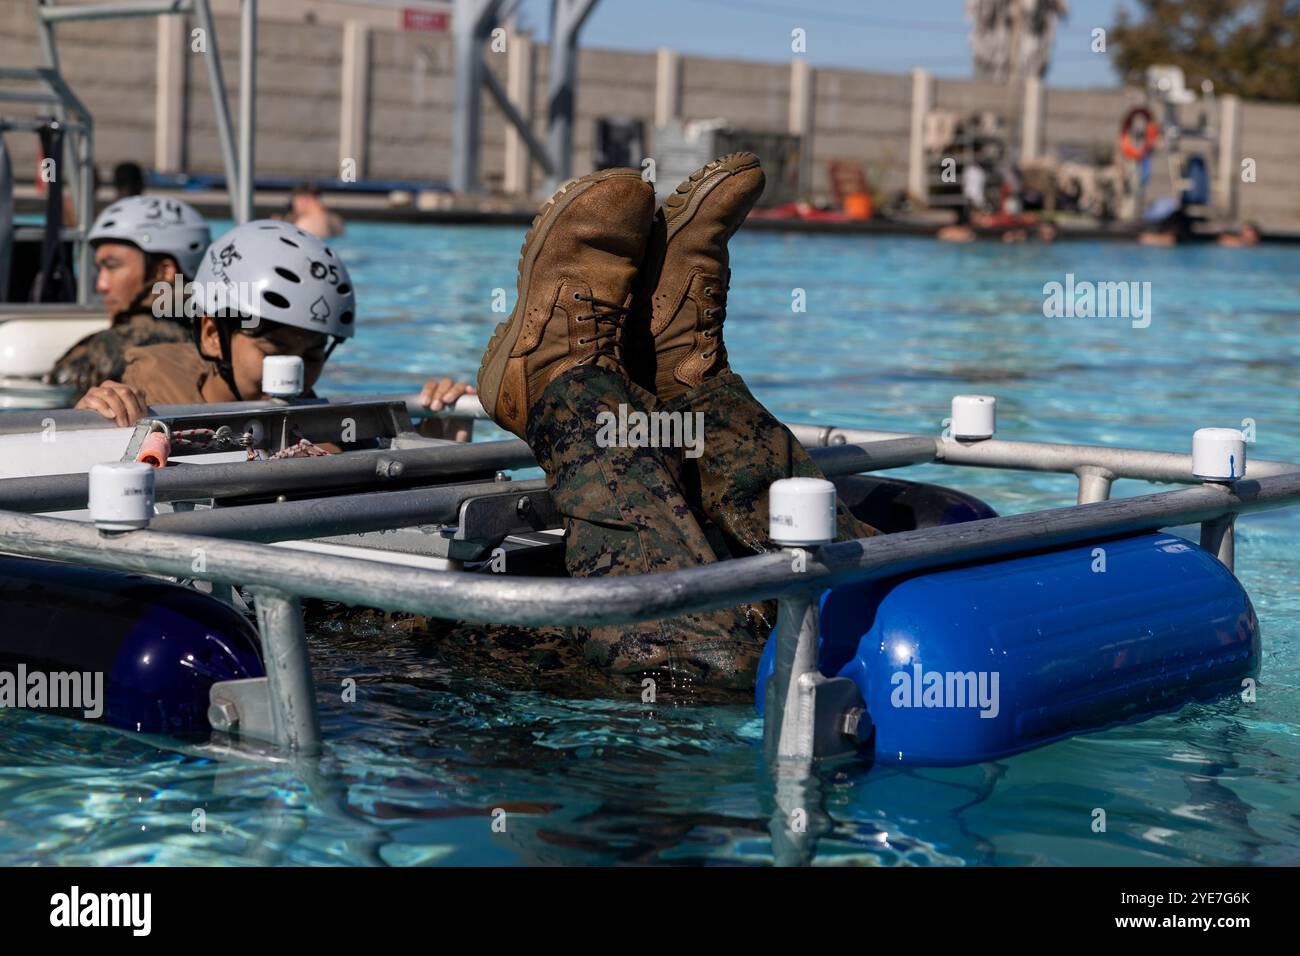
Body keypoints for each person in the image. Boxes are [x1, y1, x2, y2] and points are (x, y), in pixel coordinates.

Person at [471, 153, 880, 692]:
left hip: (668, 730)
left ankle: (561, 386)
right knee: (832, 572)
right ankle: (684, 383)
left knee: (683, 653)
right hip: (842, 662)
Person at [75, 219, 473, 440]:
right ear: (213, 335)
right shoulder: (153, 396)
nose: (294, 375)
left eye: (313, 355)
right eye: (274, 352)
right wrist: (91, 419)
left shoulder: (336, 434)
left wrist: (440, 438)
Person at [46, 196, 211, 398]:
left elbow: (51, 404)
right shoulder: (221, 338)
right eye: (100, 269)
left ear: (163, 272)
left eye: (112, 266)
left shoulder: (104, 350)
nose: (101, 285)